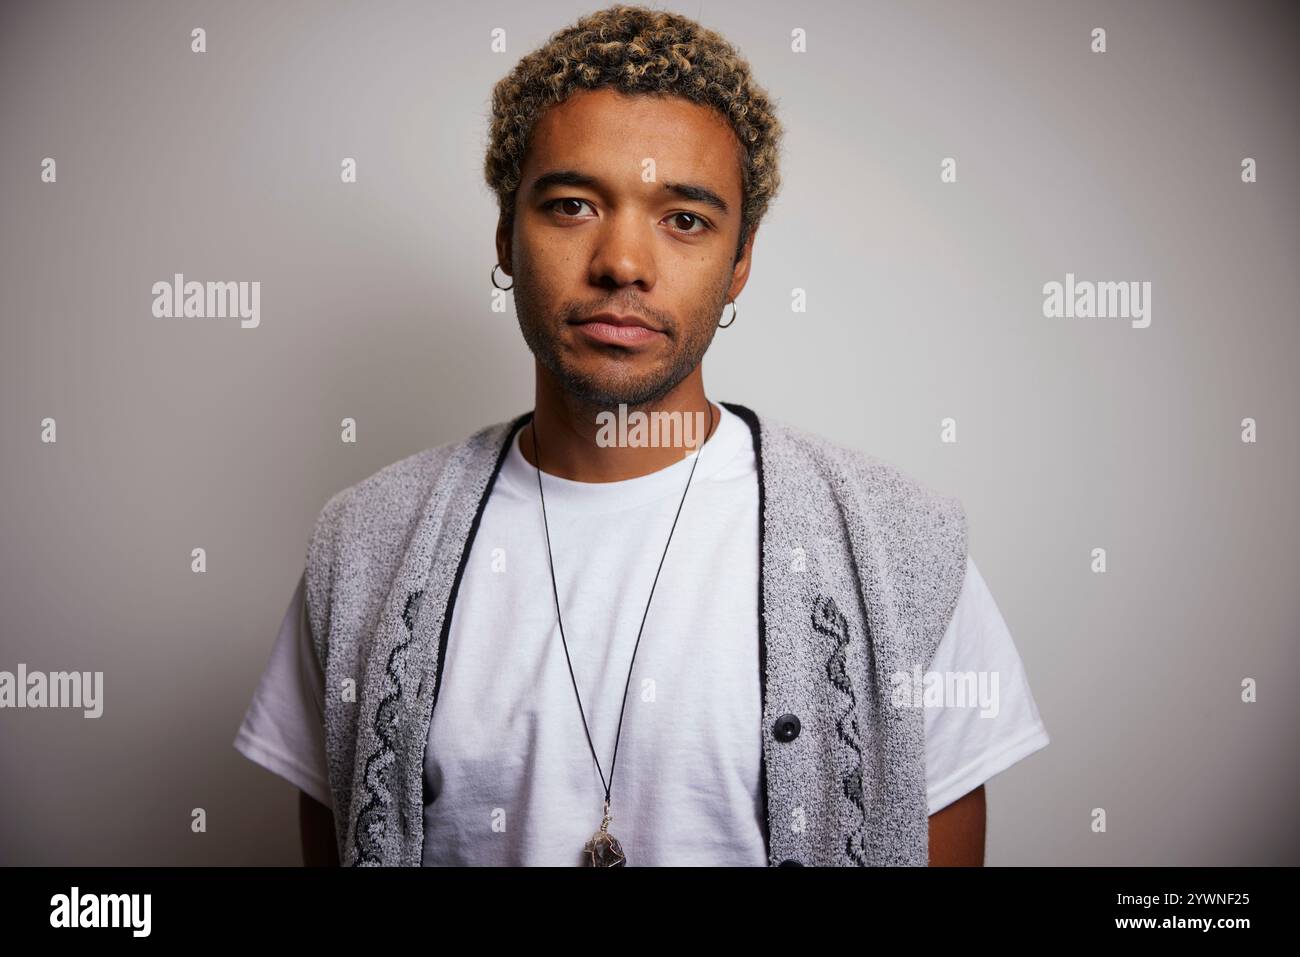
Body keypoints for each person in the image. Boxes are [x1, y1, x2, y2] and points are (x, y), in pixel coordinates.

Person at [234, 4, 1048, 867]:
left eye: (685, 218)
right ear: (506, 235)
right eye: (574, 204)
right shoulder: (362, 548)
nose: (623, 261)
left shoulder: (901, 552)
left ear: (741, 261)